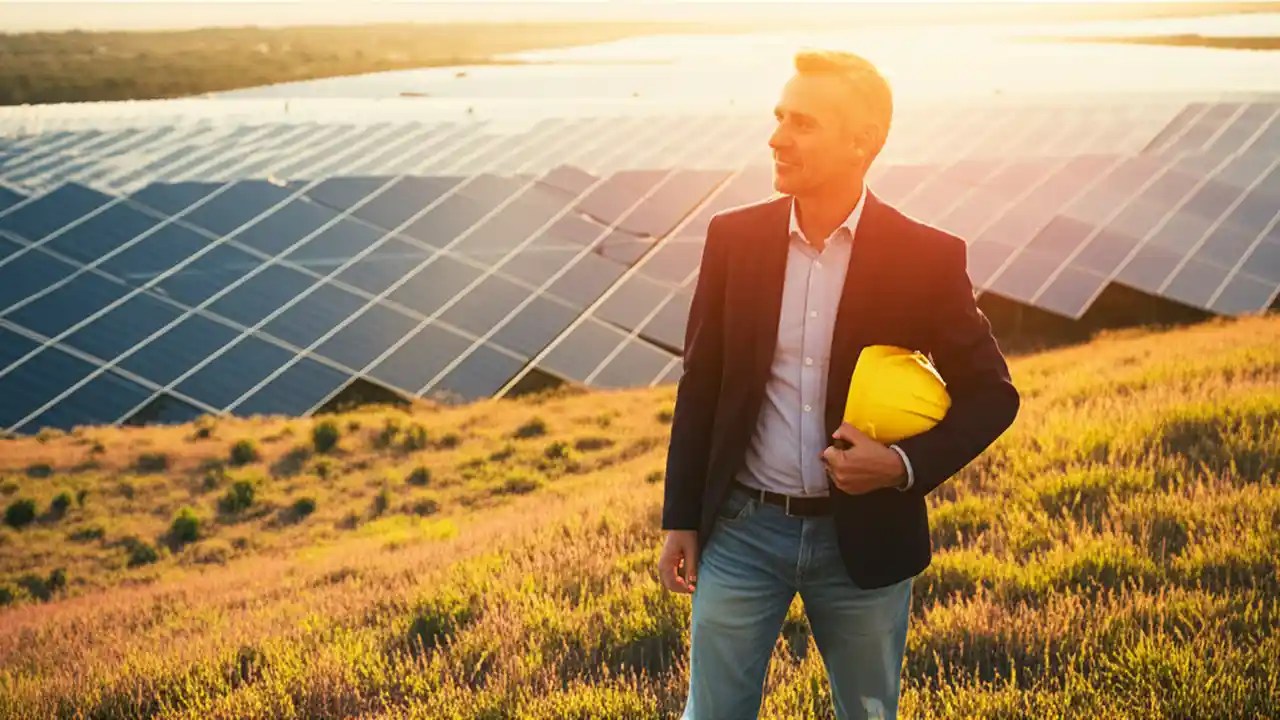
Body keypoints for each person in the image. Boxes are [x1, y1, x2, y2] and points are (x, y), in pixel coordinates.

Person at [656, 49, 1021, 720]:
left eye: (803, 122)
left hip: (865, 537)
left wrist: (902, 466)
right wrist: (681, 516)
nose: (776, 137)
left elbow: (994, 394)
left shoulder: (927, 256)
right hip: (741, 530)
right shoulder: (732, 239)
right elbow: (701, 382)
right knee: (713, 713)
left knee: (867, 712)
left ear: (864, 141)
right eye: (777, 116)